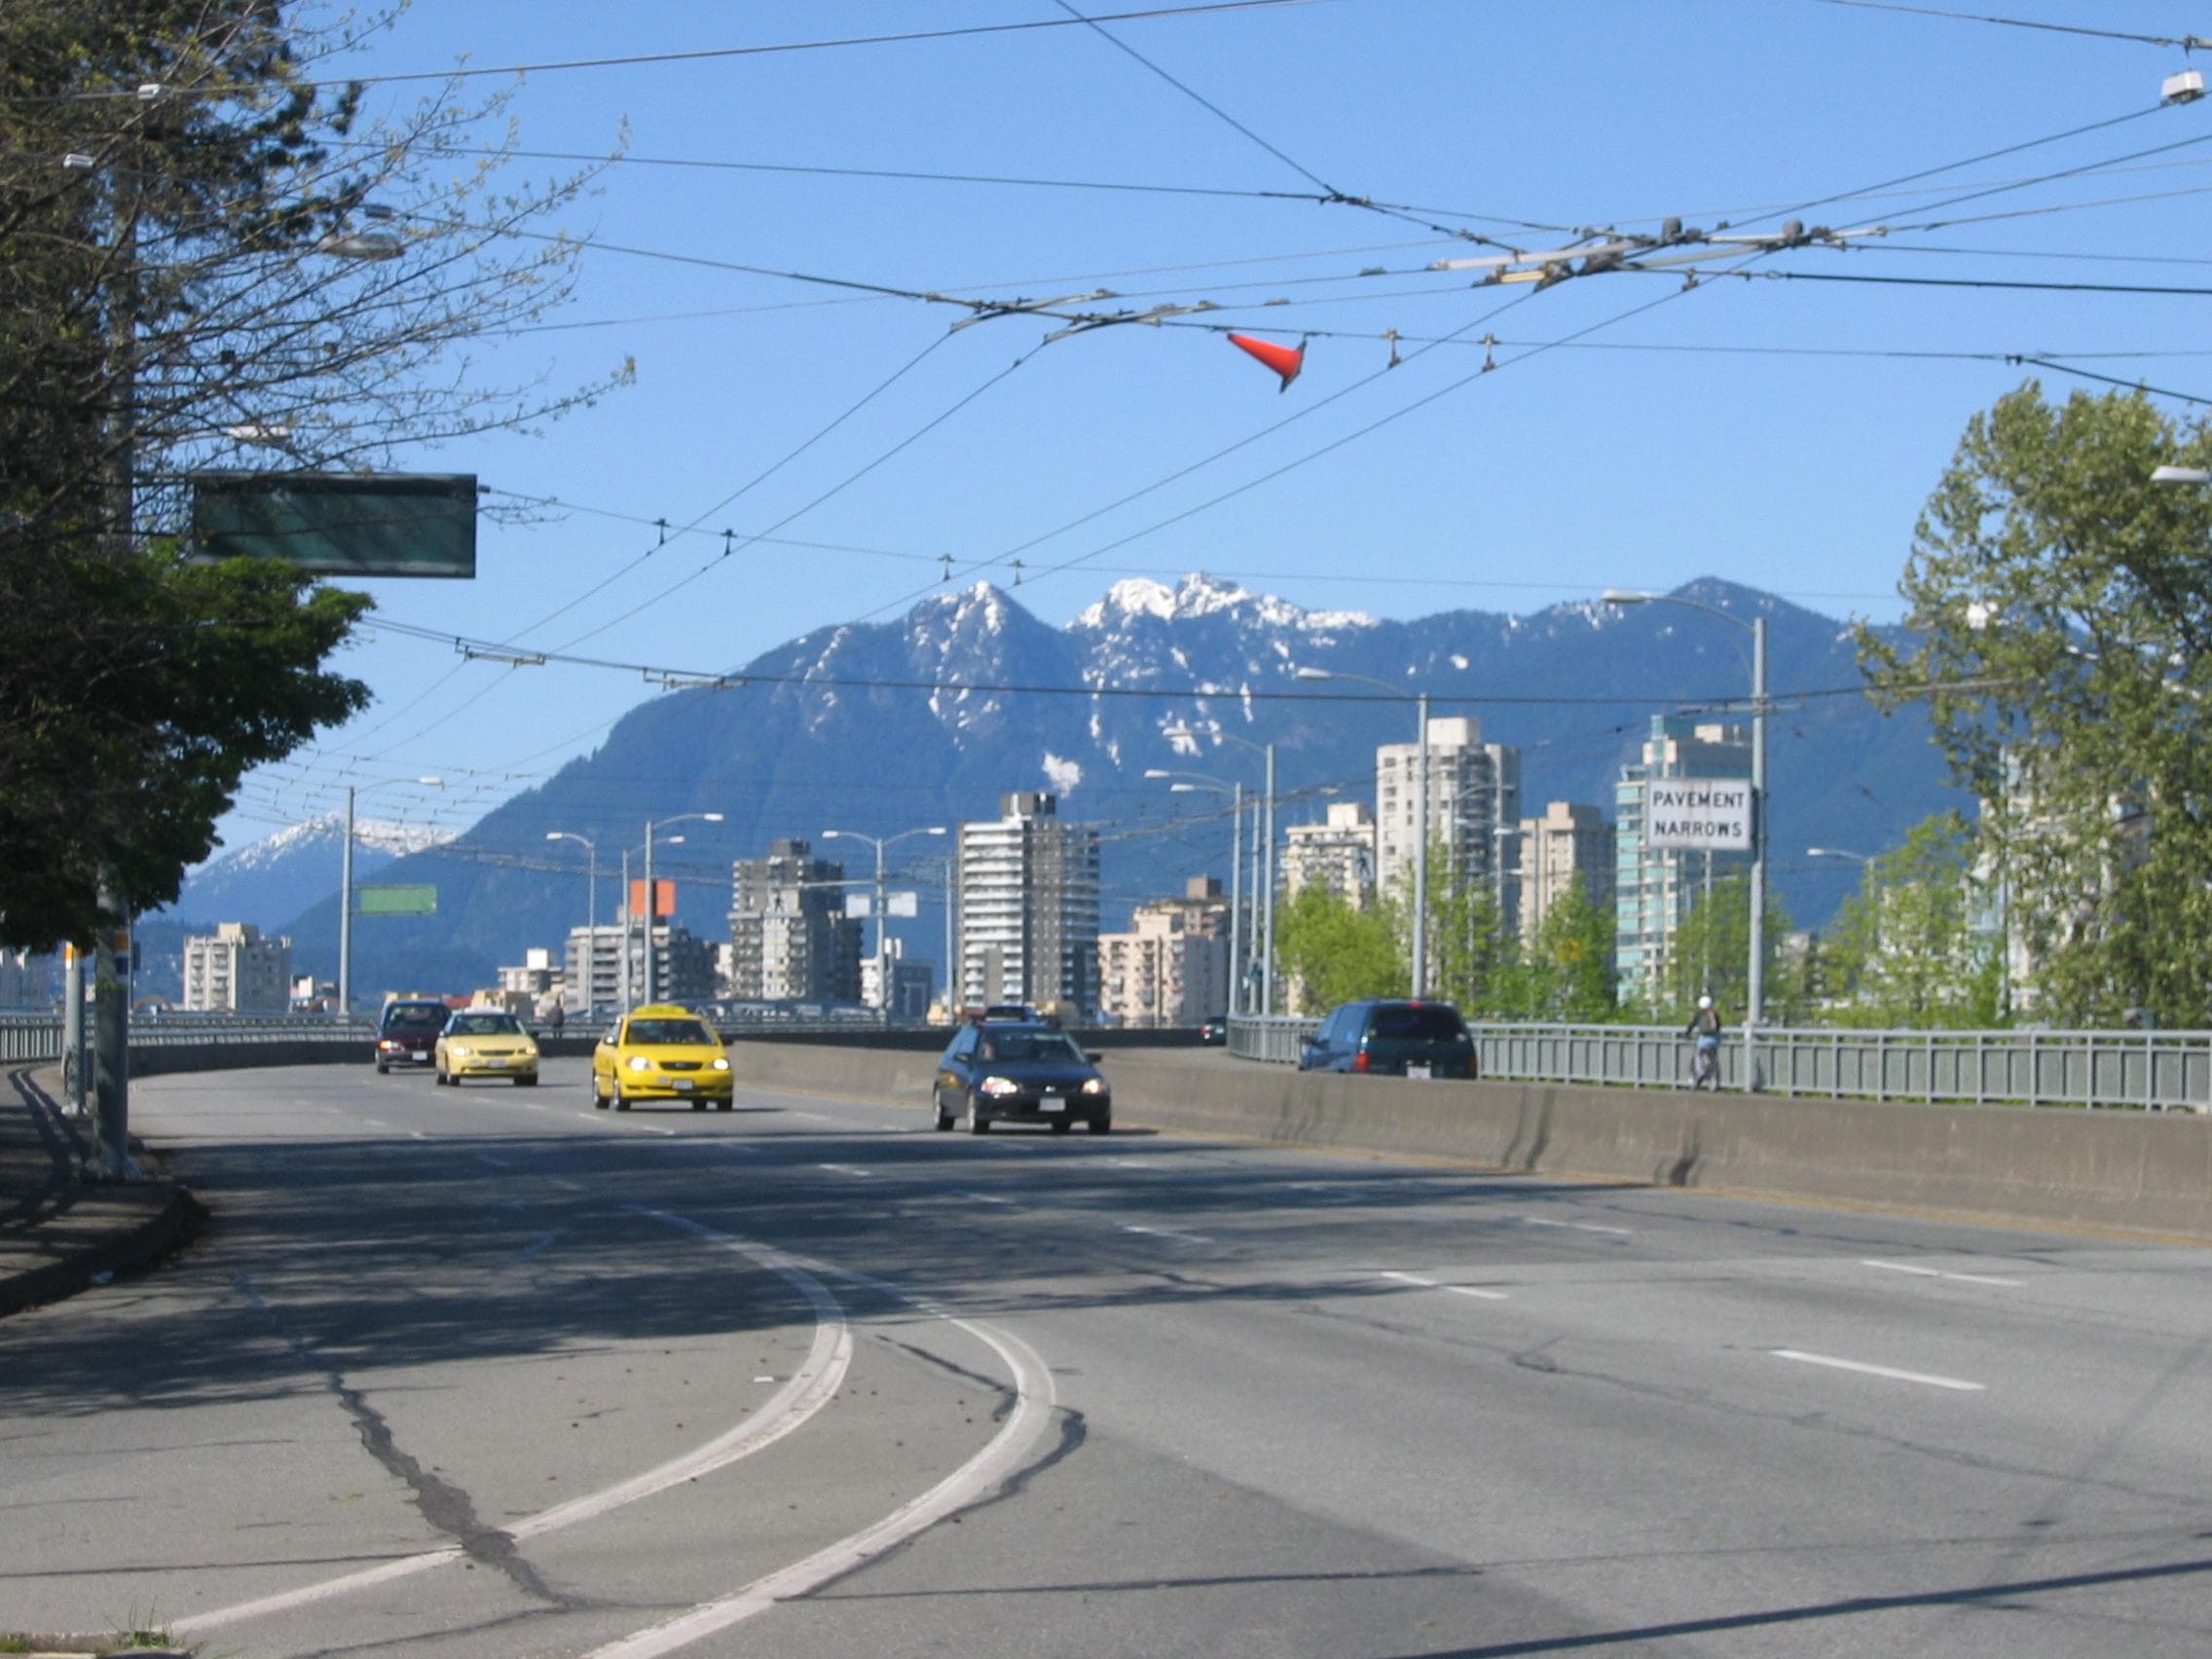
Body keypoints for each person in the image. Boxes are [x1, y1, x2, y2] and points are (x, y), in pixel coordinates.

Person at [1683, 993, 1722, 1090]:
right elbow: (1719, 1026)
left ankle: (1701, 1073)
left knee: (1698, 1055)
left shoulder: (1699, 1014)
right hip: (1715, 1040)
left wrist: (1687, 1034)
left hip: (1704, 1040)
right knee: (1713, 1059)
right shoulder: (1714, 1014)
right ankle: (1714, 1082)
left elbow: (1692, 1024)